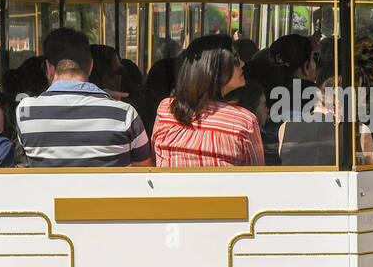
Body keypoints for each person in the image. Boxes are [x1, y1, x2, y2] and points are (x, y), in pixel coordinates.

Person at [16, 27, 153, 168]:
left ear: (49, 68)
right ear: (90, 66)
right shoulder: (125, 114)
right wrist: (104, 98)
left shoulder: (25, 112)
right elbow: (144, 172)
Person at [151, 35, 264, 167]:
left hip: (171, 187)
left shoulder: (166, 110)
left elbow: (156, 160)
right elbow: (256, 177)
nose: (243, 64)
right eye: (235, 59)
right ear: (215, 69)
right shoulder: (244, 121)